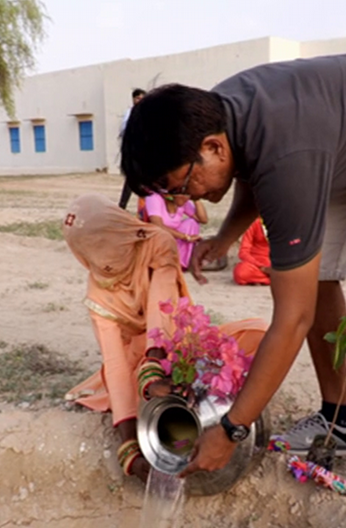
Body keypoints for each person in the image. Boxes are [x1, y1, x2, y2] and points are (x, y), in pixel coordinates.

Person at [120, 53, 346, 499]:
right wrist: (226, 236)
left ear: (212, 147)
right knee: (320, 270)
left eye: (181, 185)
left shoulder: (288, 154)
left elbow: (293, 318)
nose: (183, 199)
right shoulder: (221, 115)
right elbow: (249, 171)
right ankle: (337, 419)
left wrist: (231, 429)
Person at [61, 193, 266, 483]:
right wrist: (129, 449)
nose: (105, 256)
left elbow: (162, 307)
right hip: (137, 369)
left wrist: (154, 367)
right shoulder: (98, 294)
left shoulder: (156, 242)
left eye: (109, 242)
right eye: (94, 250)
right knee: (127, 392)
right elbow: (116, 365)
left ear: (121, 228)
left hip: (178, 345)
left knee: (258, 334)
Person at [143, 192, 207, 270]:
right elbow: (158, 225)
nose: (187, 198)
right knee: (159, 232)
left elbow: (203, 219)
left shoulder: (182, 201)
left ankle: (182, 262)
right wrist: (186, 237)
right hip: (157, 240)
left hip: (174, 238)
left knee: (192, 222)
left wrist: (196, 199)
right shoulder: (154, 198)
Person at [117, 88, 147, 210]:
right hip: (134, 150)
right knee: (131, 179)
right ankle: (122, 205)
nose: (140, 101)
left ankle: (146, 208)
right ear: (133, 99)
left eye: (142, 98)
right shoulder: (130, 113)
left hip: (145, 150)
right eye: (138, 98)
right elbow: (125, 131)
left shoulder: (147, 114)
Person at [233, 218, 271, 286]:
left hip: (277, 263)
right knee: (240, 273)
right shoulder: (254, 223)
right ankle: (273, 279)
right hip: (256, 264)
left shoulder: (284, 223)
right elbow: (243, 252)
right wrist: (262, 267)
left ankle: (267, 279)